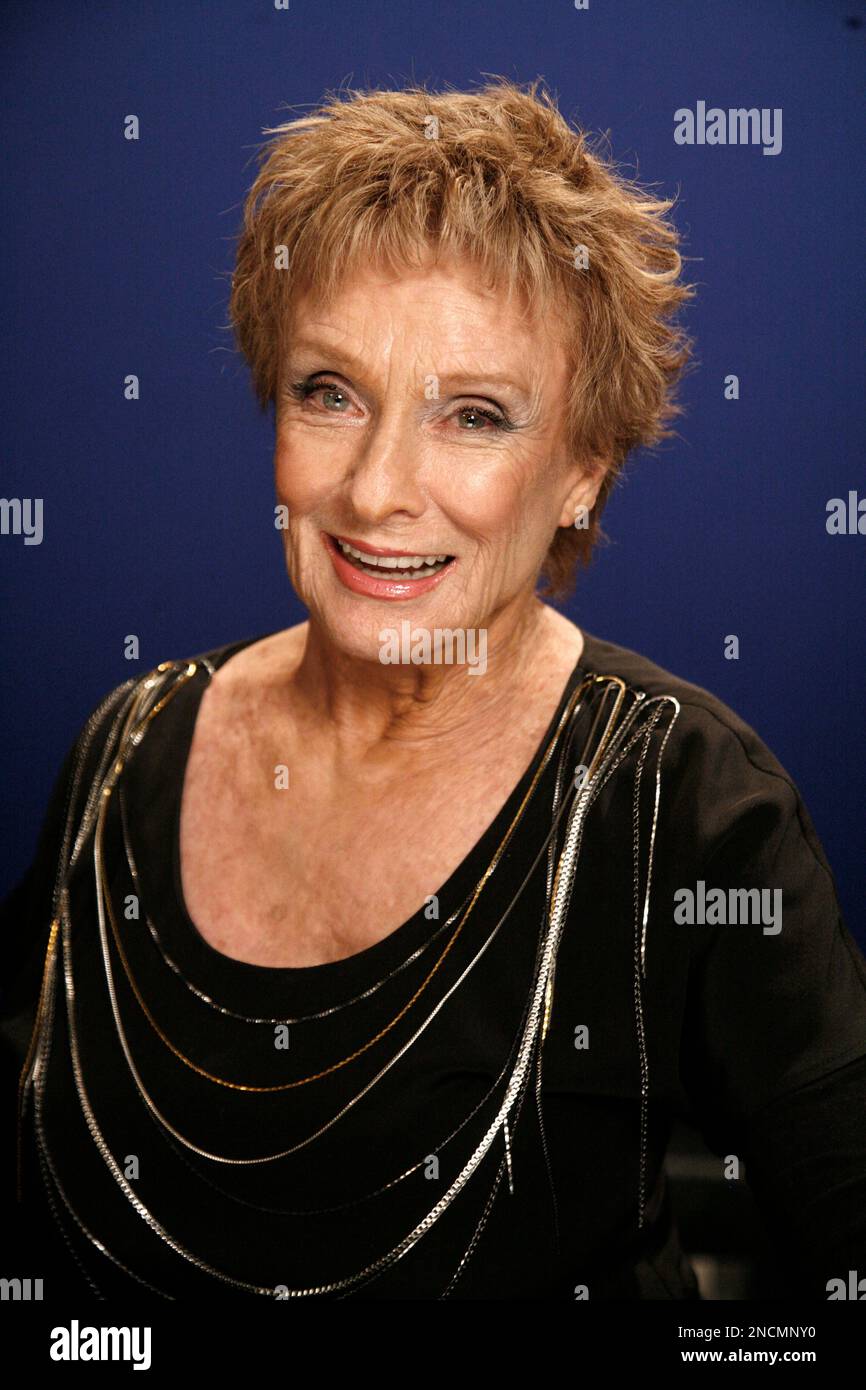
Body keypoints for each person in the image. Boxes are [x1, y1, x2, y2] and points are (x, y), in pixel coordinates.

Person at [2, 78, 865, 1301]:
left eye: (472, 416)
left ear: (580, 470)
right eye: (329, 393)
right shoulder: (125, 750)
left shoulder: (688, 802)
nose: (373, 490)